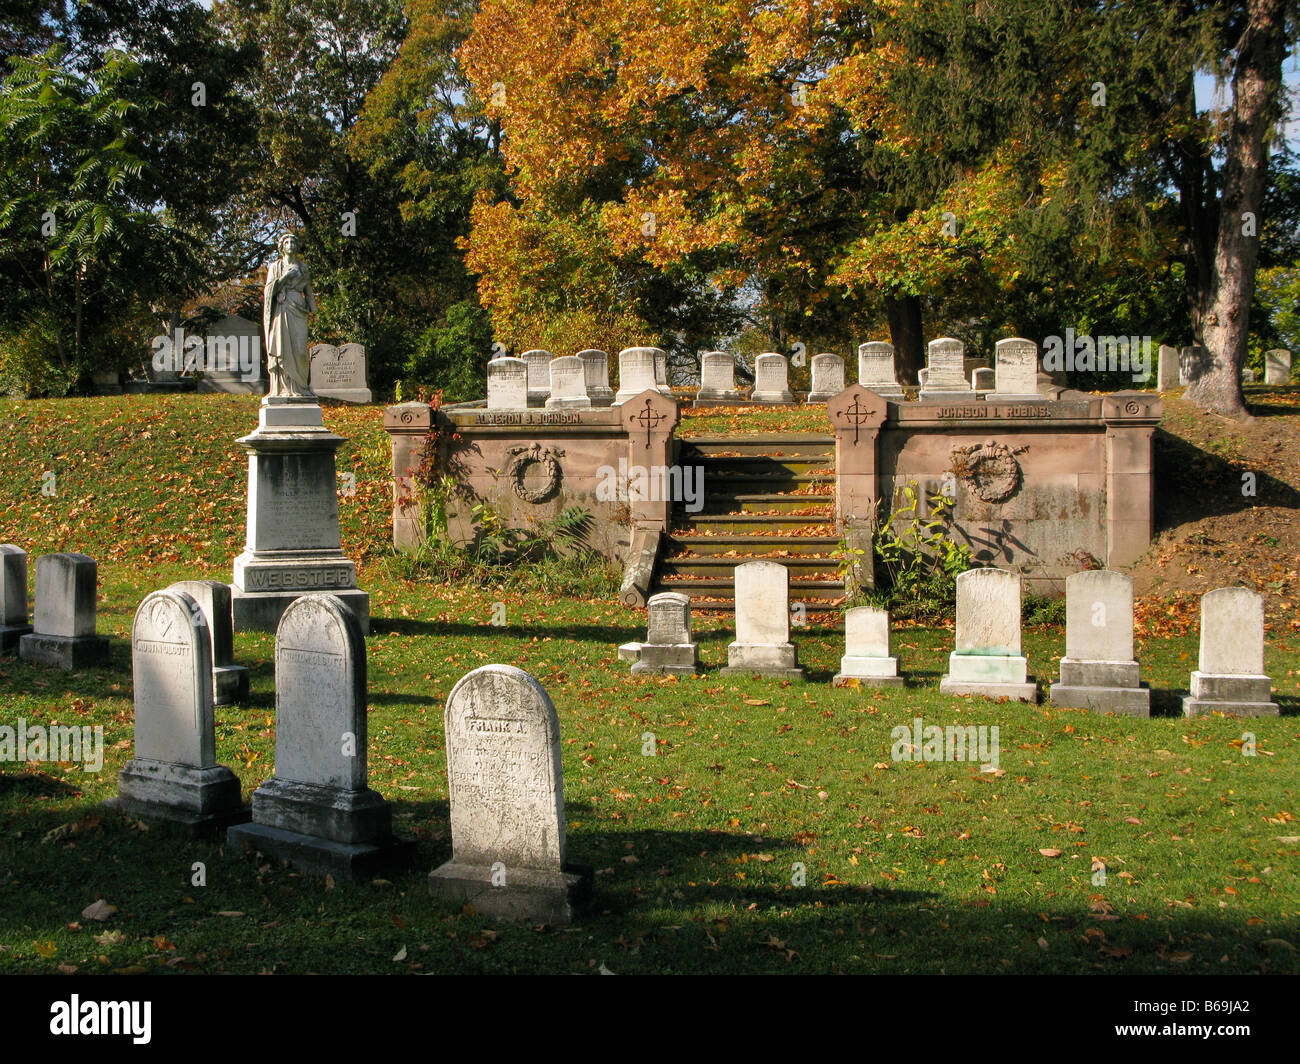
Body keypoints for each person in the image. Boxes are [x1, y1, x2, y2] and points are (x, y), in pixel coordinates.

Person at [263, 233, 318, 397]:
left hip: (298, 308)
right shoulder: (275, 267)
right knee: (282, 348)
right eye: (287, 242)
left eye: (293, 241)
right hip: (282, 307)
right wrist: (286, 277)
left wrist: (312, 307)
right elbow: (268, 291)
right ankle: (282, 389)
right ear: (282, 247)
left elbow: (308, 290)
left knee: (301, 351)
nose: (290, 244)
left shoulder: (303, 267)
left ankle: (301, 387)